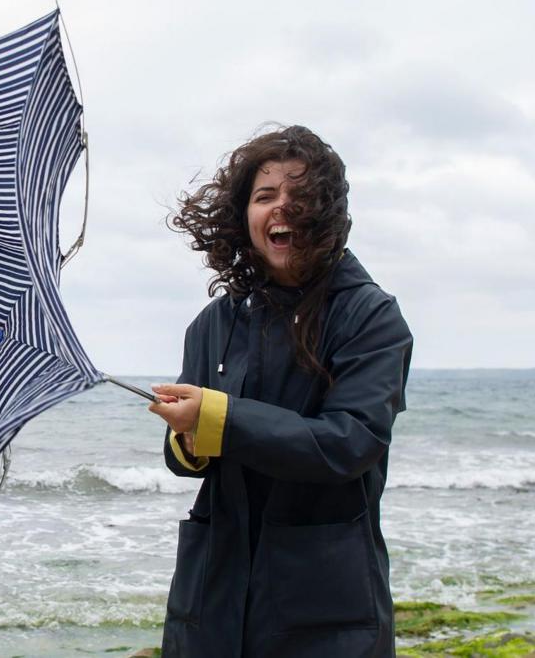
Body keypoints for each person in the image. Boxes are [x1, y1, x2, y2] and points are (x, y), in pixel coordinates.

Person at [147, 124, 413, 657]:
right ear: (241, 216)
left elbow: (349, 443)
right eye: (264, 196)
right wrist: (188, 441)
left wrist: (218, 418)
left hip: (324, 604)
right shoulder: (213, 324)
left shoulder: (370, 316)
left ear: (327, 210)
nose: (280, 209)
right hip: (212, 594)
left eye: (299, 196)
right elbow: (187, 461)